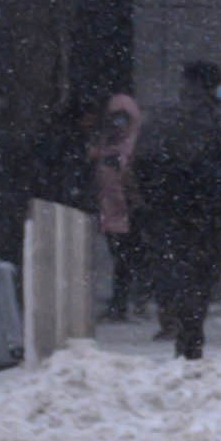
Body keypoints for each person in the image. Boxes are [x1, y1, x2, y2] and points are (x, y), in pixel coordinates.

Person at [130, 64, 221, 360]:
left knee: (173, 270)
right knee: (200, 276)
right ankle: (190, 334)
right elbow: (218, 170)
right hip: (201, 214)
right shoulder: (208, 121)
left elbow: (142, 163)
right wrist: (218, 202)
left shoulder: (162, 118)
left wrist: (155, 200)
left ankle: (175, 323)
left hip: (166, 212)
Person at [87, 92, 141, 320]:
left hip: (123, 212)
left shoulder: (127, 147)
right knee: (122, 258)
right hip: (113, 211)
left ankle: (123, 303)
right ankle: (123, 303)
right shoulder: (109, 146)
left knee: (124, 259)